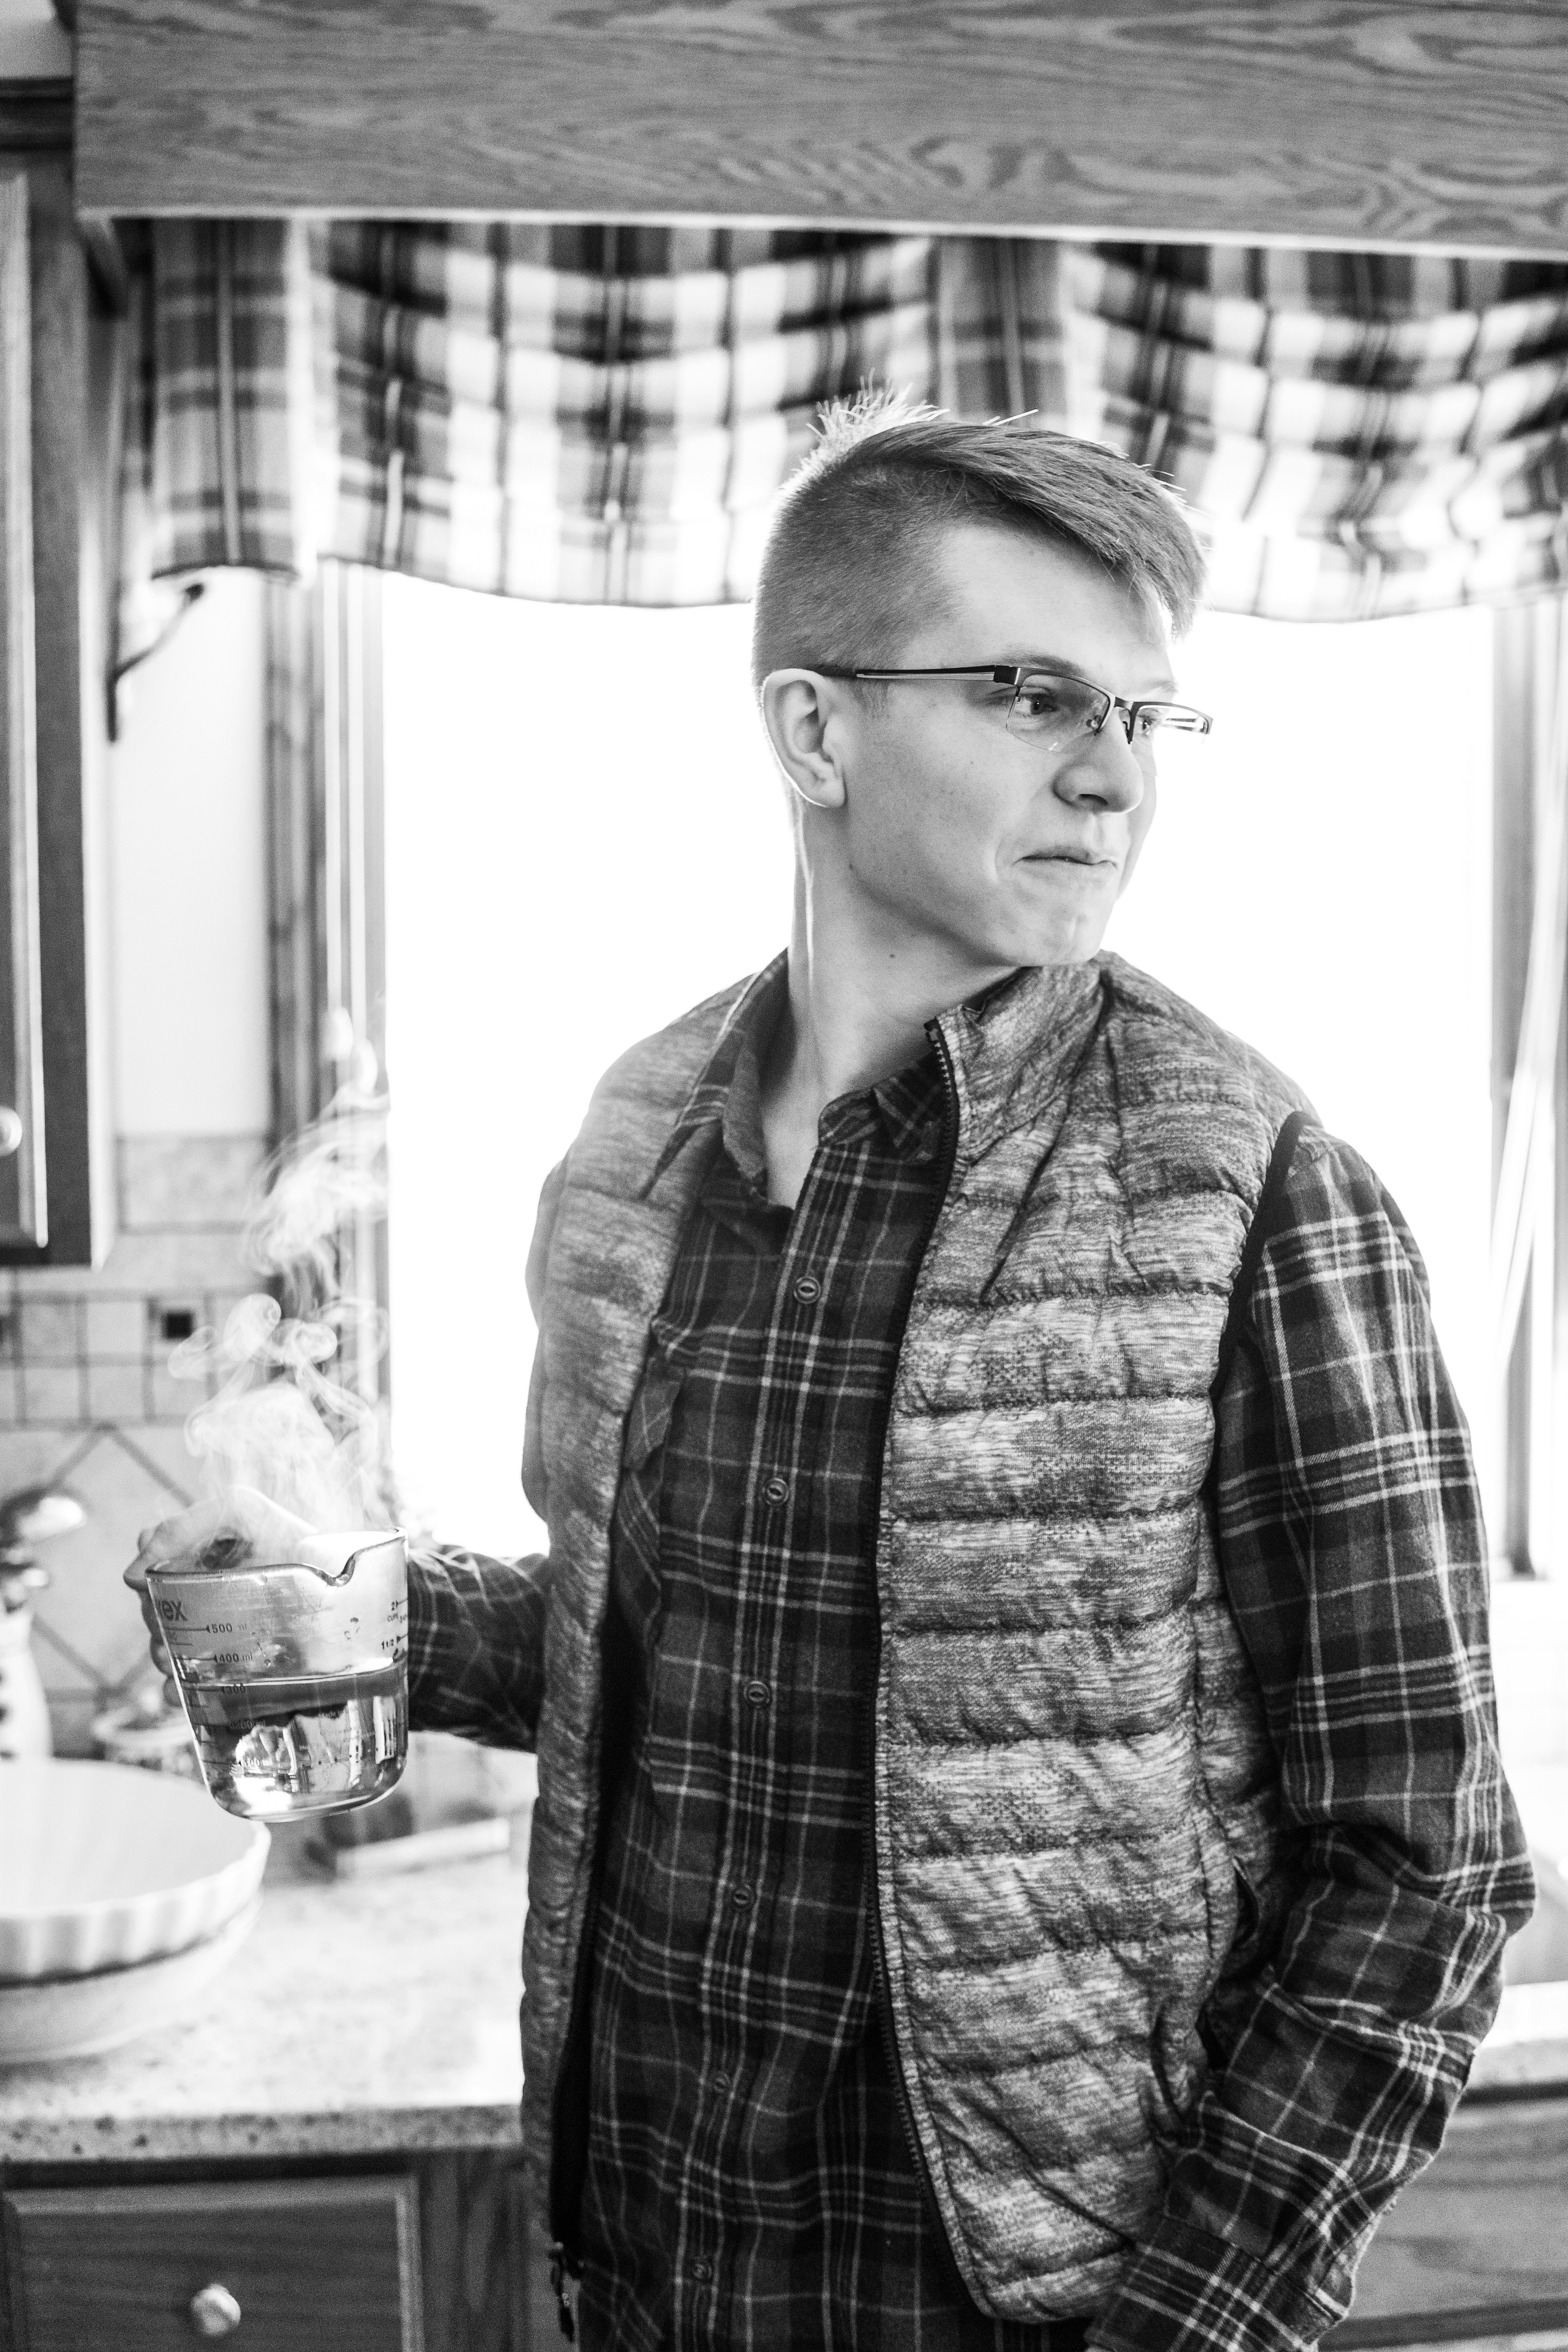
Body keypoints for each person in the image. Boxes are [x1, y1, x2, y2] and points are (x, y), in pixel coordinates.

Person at [130, 396, 1534, 2352]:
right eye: (1036, 694)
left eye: (1145, 717)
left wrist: (1184, 2333)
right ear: (813, 727)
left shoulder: (1256, 1193)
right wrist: (354, 1612)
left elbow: (1423, 1868)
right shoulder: (635, 1143)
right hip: (652, 2253)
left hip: (1018, 2302)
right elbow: (658, 1632)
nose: (1113, 779)